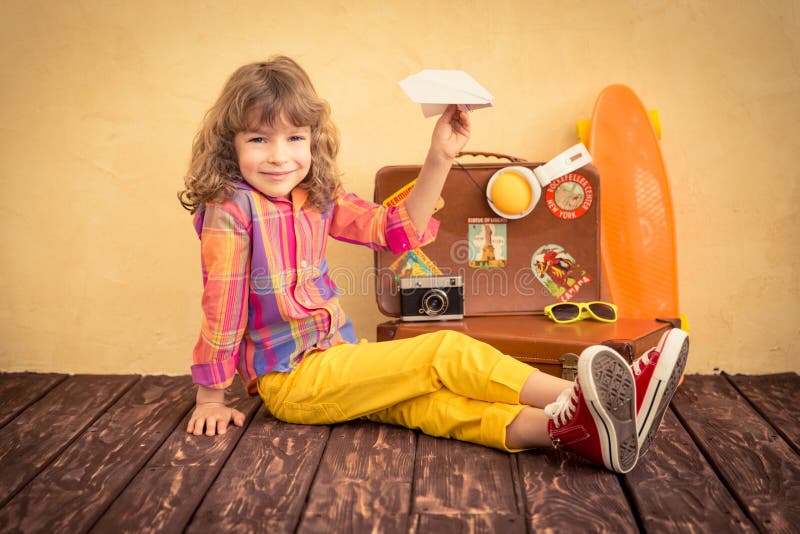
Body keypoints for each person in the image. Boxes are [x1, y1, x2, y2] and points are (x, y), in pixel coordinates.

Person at [178, 56, 689, 473]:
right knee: (443, 351)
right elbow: (221, 308)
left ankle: (571, 432)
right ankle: (589, 396)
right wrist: (209, 399)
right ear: (231, 145)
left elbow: (393, 231)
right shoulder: (230, 210)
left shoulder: (316, 197)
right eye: (258, 140)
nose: (279, 157)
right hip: (292, 381)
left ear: (313, 142)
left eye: (294, 139)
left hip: (337, 361)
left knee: (438, 406)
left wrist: (440, 157)